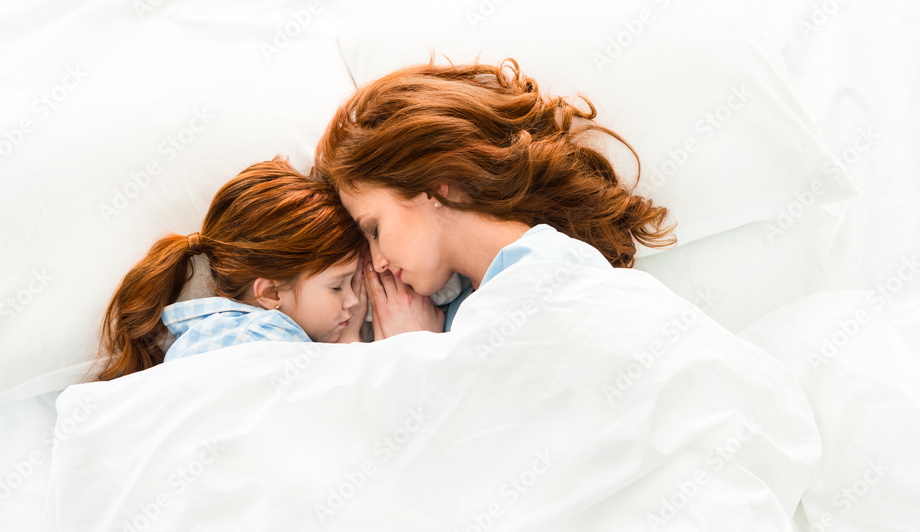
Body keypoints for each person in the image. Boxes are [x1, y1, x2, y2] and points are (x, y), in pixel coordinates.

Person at [313, 58, 676, 338]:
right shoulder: (460, 307)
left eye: (374, 229)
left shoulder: (548, 270)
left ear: (440, 184)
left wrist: (414, 353)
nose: (376, 263)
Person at [95, 157, 368, 381]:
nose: (354, 301)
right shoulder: (266, 337)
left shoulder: (217, 335)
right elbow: (336, 409)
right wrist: (351, 345)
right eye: (337, 286)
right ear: (271, 292)